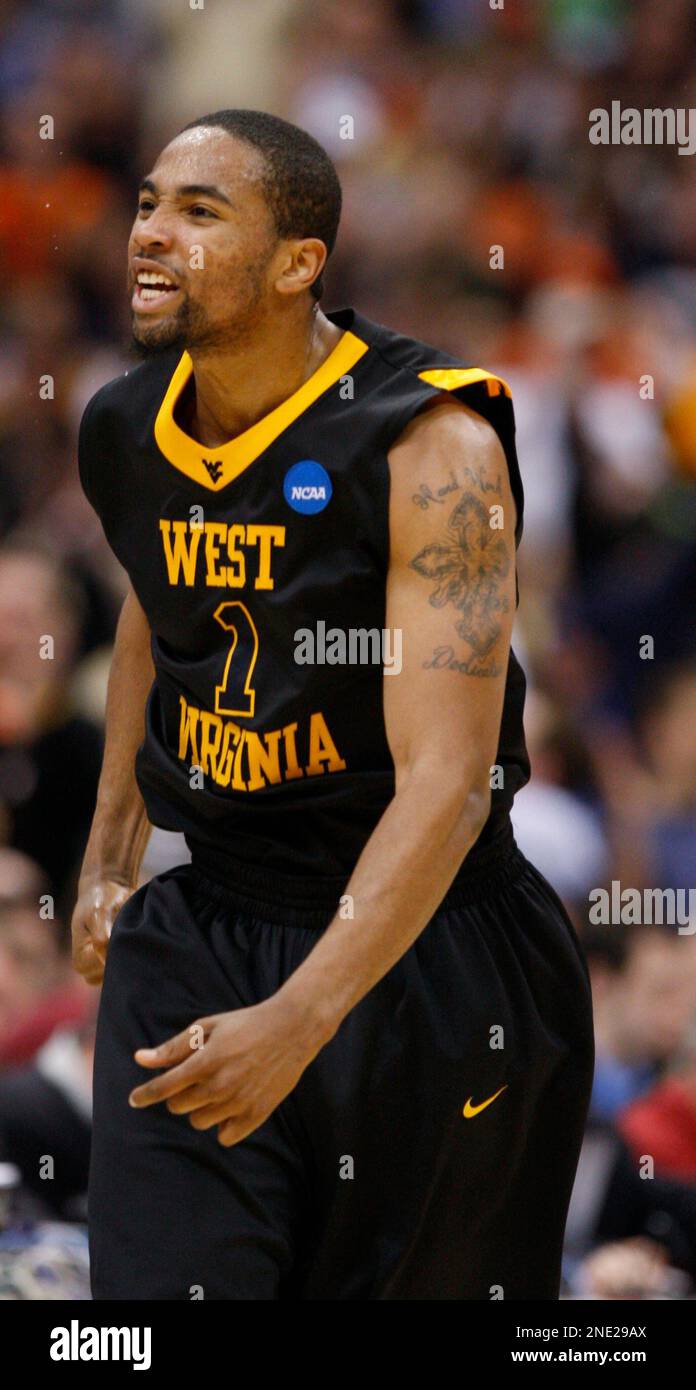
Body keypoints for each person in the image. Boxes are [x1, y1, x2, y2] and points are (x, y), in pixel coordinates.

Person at [73, 109, 594, 1300]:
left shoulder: (431, 444)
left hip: (431, 951)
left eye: (201, 214)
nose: (152, 233)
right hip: (207, 926)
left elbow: (450, 786)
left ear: (299, 262)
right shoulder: (125, 424)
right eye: (150, 203)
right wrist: (108, 849)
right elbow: (158, 602)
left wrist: (299, 1020)